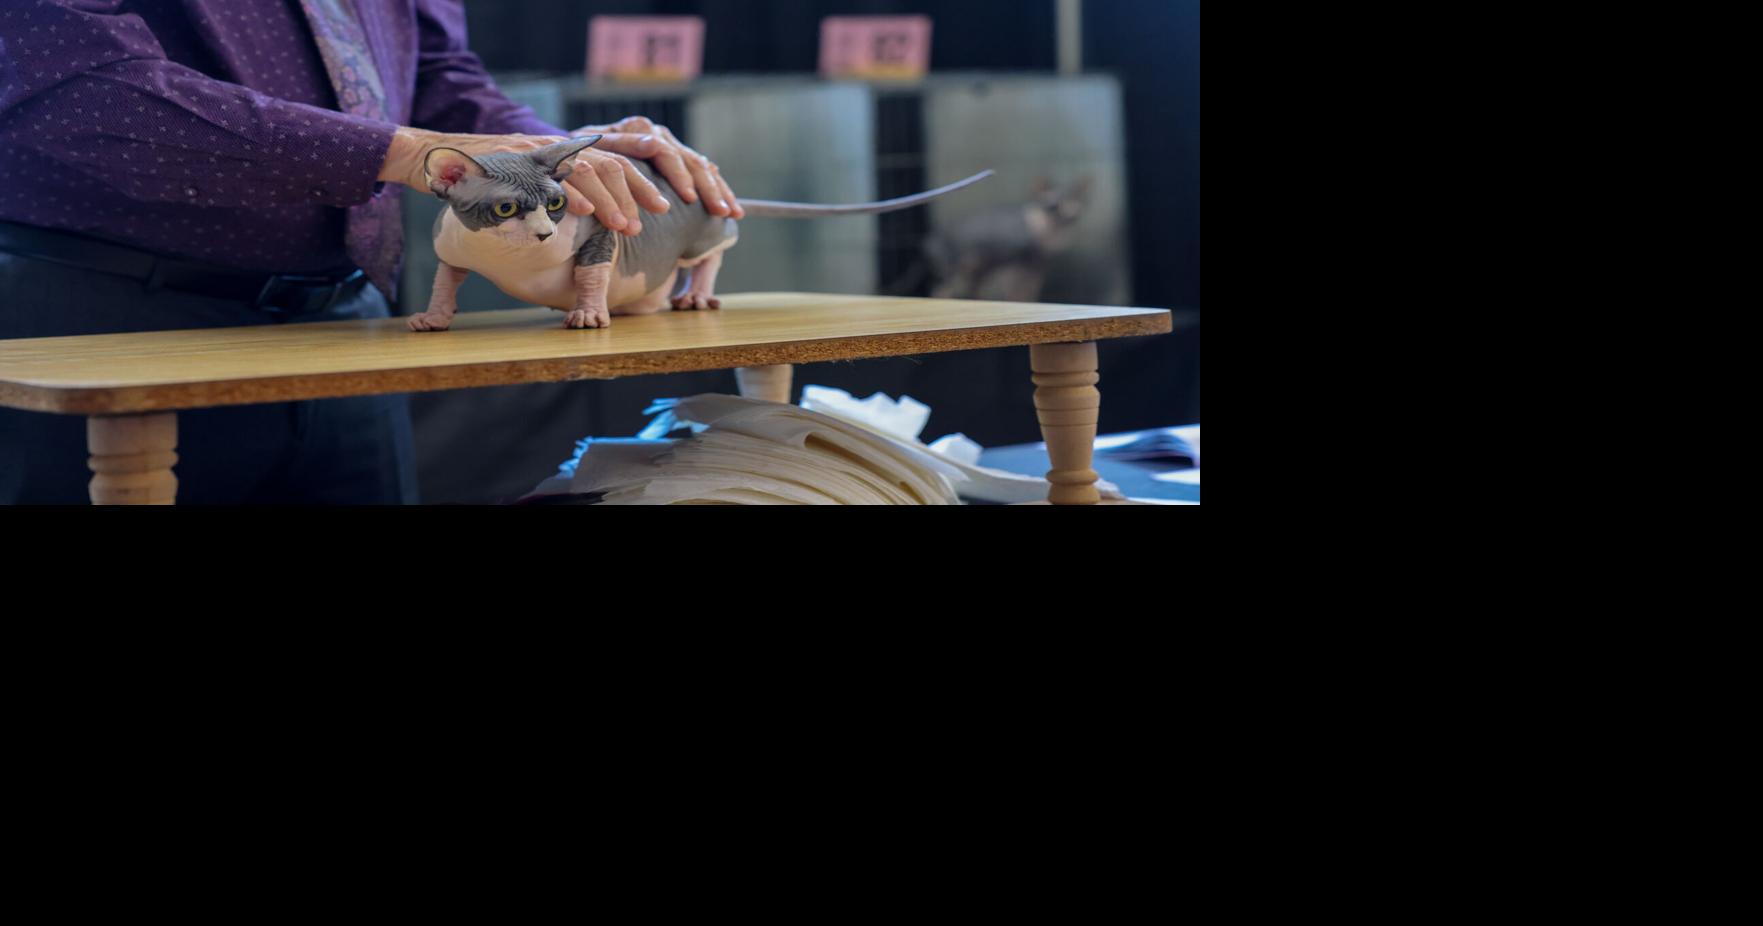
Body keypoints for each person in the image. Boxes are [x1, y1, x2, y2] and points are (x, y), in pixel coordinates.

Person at [0, 0, 742, 504]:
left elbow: (440, 78)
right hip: (109, 314)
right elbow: (79, 87)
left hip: (349, 326)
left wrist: (564, 155)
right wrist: (412, 153)